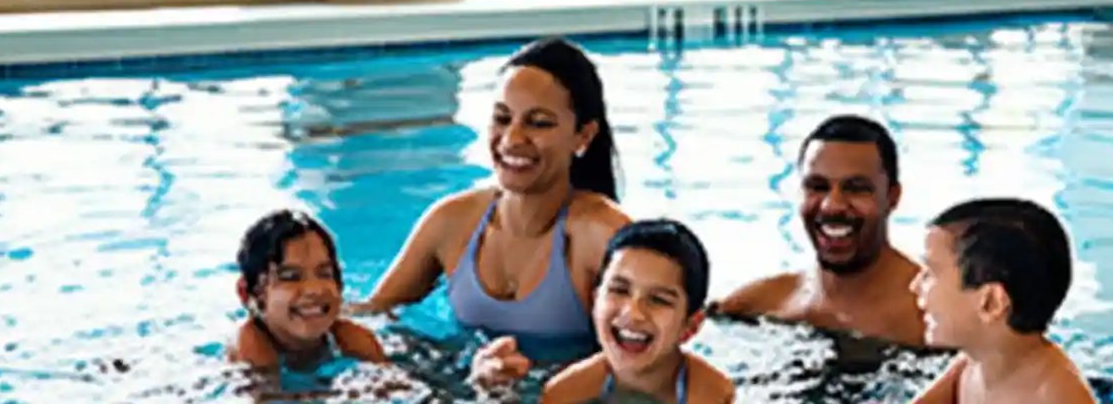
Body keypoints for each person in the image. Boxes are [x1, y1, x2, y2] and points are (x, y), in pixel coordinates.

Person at [348, 37, 631, 382]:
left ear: (583, 136)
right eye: (502, 118)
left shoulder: (602, 236)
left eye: (539, 123)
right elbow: (373, 316)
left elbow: (650, 351)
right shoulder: (452, 222)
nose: (512, 139)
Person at [711, 114, 926, 348]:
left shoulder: (933, 319)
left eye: (856, 189)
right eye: (817, 187)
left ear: (892, 197)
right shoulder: (754, 307)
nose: (831, 206)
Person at [908, 198, 1097, 403]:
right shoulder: (972, 365)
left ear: (991, 302)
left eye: (931, 273)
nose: (915, 285)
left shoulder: (1057, 397)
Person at [541, 219, 735, 404]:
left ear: (690, 326)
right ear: (595, 300)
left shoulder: (712, 395)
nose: (633, 313)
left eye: (658, 300)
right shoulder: (565, 394)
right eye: (619, 290)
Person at [229, 209, 387, 371]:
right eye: (291, 277)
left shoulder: (350, 337)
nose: (314, 290)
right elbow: (265, 395)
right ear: (249, 293)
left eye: (325, 274)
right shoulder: (250, 347)